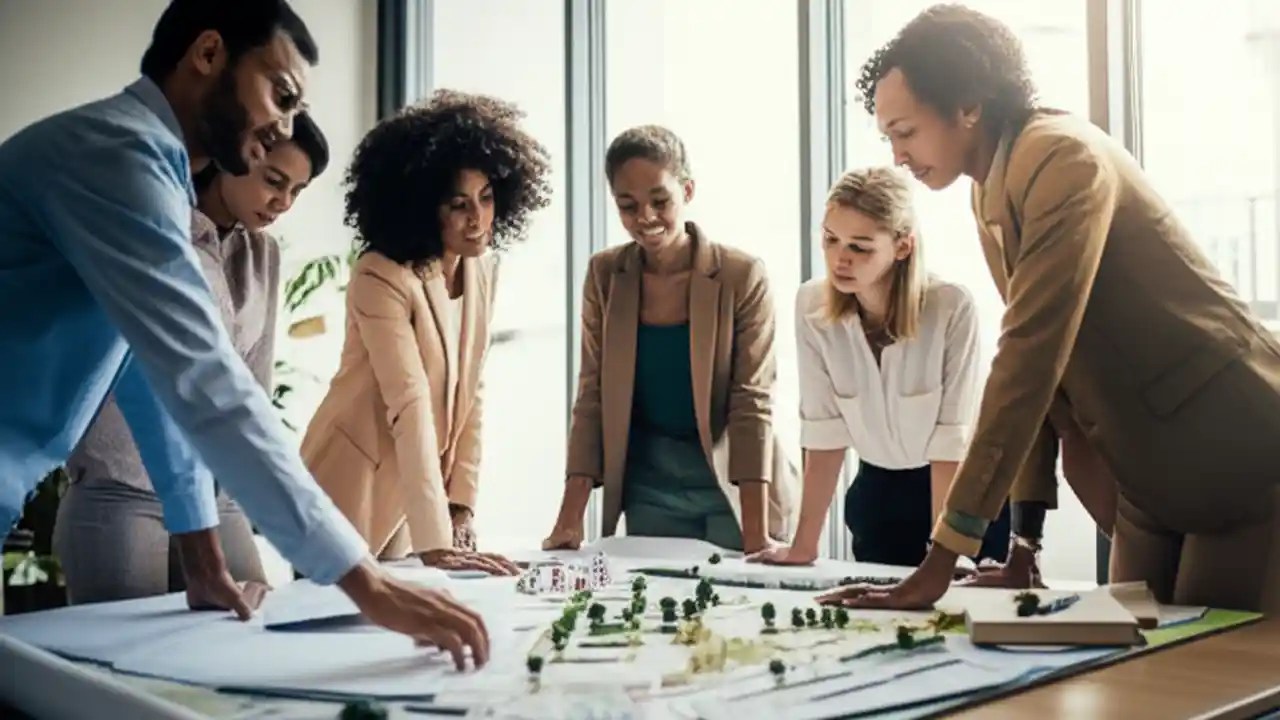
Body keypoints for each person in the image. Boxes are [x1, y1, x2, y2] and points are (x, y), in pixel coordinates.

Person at [0, 0, 490, 668]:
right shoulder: (115, 157)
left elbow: (149, 372)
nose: (282, 127)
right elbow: (204, 379)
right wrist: (366, 581)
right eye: (280, 94)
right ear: (207, 54)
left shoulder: (153, 177)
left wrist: (200, 554)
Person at [819, 4, 1280, 613]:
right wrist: (1023, 543)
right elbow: (1044, 372)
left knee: (1209, 674)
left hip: (1236, 453)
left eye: (905, 132)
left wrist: (938, 562)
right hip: (1150, 480)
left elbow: (1029, 360)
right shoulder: (989, 190)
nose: (897, 156)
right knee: (1128, 665)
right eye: (888, 138)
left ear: (968, 105)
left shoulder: (1063, 158)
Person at [53, 112, 329, 604]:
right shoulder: (150, 227)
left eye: (296, 191)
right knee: (121, 666)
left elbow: (253, 388)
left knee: (252, 631)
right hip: (123, 490)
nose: (282, 203)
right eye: (274, 181)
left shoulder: (262, 255)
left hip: (219, 493)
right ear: (235, 156)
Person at [301, 89, 548, 576]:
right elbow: (409, 402)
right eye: (459, 204)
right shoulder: (381, 274)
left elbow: (471, 393)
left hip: (418, 495)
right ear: (421, 206)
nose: (478, 219)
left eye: (486, 198)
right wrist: (437, 541)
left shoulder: (481, 269)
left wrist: (461, 507)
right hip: (350, 488)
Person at [544, 125, 798, 554]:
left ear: (688, 190)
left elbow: (751, 400)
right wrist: (569, 520)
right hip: (651, 491)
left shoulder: (740, 275)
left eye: (659, 201)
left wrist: (756, 534)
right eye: (628, 205)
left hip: (734, 492)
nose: (645, 217)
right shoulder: (606, 275)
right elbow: (593, 395)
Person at [747, 166, 1009, 569]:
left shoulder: (950, 307)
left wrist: (946, 557)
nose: (840, 258)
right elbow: (823, 430)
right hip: (878, 495)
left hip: (961, 499)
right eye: (831, 240)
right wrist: (804, 547)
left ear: (902, 247)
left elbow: (949, 442)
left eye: (861, 247)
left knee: (959, 619)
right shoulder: (811, 306)